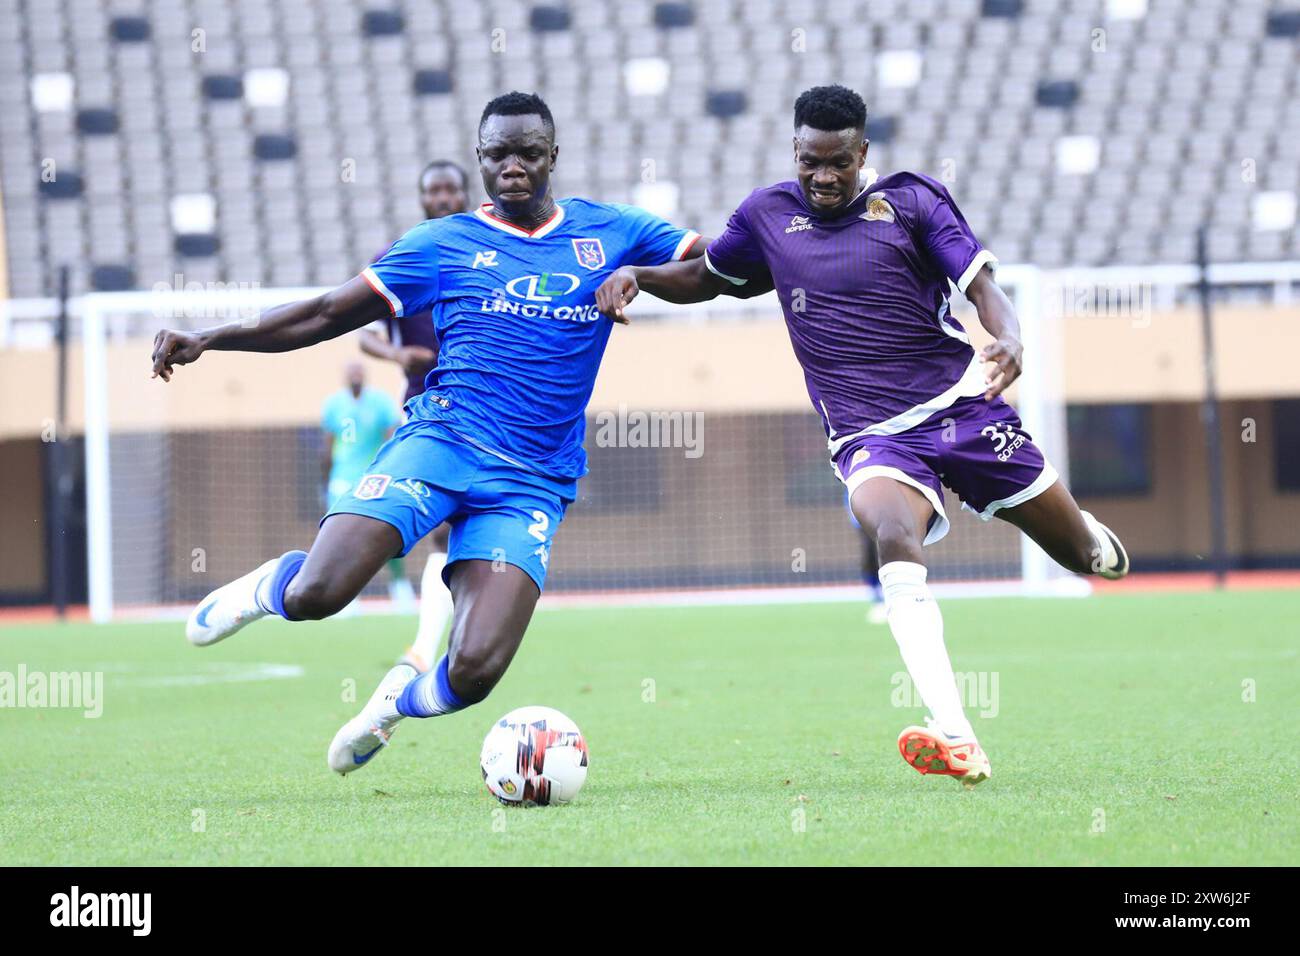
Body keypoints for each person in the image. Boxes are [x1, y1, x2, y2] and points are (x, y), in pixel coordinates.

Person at [150, 92, 740, 776]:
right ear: (480, 160)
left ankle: (391, 707)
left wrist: (641, 274)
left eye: (527, 153)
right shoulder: (441, 243)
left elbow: (718, 272)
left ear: (553, 156)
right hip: (440, 444)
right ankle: (267, 587)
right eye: (497, 154)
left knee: (475, 670)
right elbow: (326, 313)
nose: (512, 166)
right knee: (319, 594)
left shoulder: (611, 231)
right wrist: (212, 338)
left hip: (531, 481)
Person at [594, 85, 1129, 789]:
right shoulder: (766, 215)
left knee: (1080, 556)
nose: (822, 177)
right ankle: (958, 735)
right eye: (810, 162)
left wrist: (1011, 337)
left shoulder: (912, 202)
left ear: (862, 153)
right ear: (794, 151)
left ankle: (1091, 538)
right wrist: (639, 275)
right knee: (891, 531)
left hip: (963, 410)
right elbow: (709, 277)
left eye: (838, 163)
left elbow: (983, 287)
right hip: (869, 437)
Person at [358, 160, 471, 669]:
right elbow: (364, 334)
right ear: (422, 199)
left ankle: (446, 641)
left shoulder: (489, 252)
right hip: (425, 407)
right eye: (434, 191)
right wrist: (398, 354)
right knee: (439, 527)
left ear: (466, 194)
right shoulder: (401, 257)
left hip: (490, 410)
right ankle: (426, 646)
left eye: (451, 190)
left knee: (470, 530)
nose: (443, 198)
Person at [320, 361, 406, 606]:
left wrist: (391, 471)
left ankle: (400, 588)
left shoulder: (381, 402)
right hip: (341, 480)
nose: (355, 376)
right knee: (337, 537)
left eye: (359, 371)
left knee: (386, 532)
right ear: (344, 377)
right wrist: (324, 483)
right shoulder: (334, 404)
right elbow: (326, 447)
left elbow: (392, 438)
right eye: (351, 372)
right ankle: (343, 597)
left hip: (373, 479)